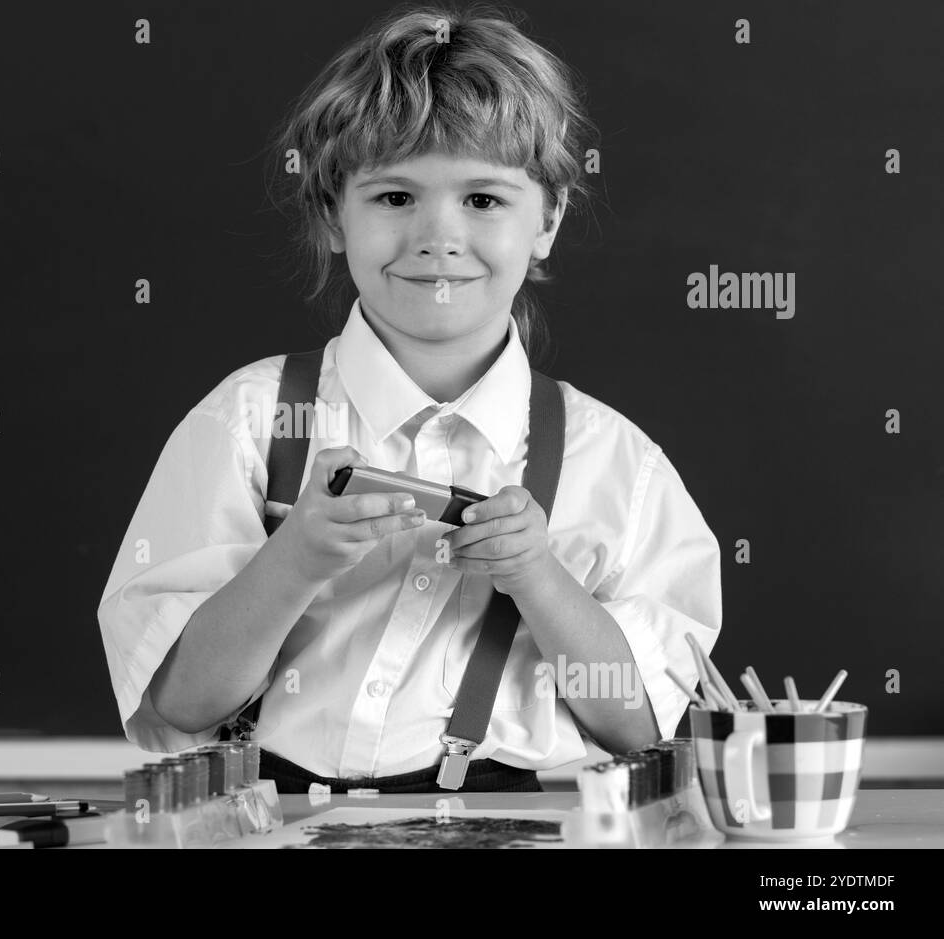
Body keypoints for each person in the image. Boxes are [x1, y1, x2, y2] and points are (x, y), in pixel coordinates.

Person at [98, 4, 722, 793]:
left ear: (549, 220)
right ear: (332, 214)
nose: (438, 236)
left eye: (484, 201)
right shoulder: (248, 423)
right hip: (278, 820)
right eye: (394, 198)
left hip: (513, 828)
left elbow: (641, 724)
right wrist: (294, 560)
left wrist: (541, 578)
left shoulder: (618, 465)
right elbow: (184, 702)